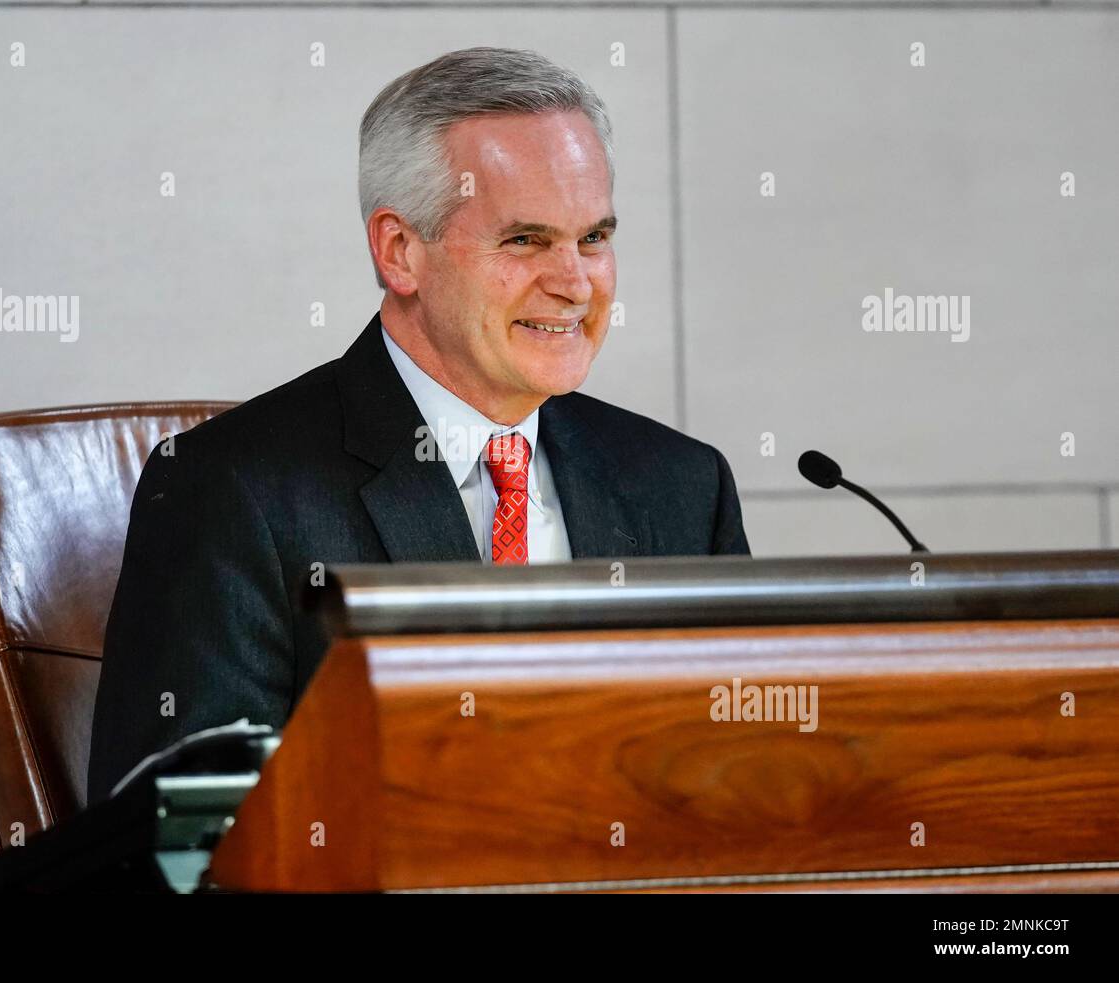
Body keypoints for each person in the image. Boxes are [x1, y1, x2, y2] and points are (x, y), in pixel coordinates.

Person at [87, 46, 749, 803]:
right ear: (400, 251)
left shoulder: (683, 486)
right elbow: (181, 847)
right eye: (526, 239)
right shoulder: (230, 491)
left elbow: (746, 792)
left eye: (594, 237)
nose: (575, 284)